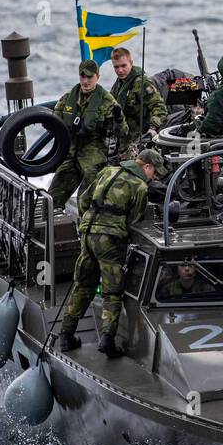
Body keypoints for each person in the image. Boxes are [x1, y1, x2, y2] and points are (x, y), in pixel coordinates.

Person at [58, 149, 162, 358]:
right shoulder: (139, 186)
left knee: (83, 285)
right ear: (147, 166)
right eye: (155, 173)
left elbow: (84, 198)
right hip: (110, 240)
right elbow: (134, 219)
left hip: (87, 233)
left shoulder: (108, 171)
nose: (154, 178)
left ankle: (65, 336)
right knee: (112, 291)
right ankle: (107, 340)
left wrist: (90, 222)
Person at [48, 59, 128, 213]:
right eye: (82, 77)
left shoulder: (107, 102)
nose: (85, 81)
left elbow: (122, 132)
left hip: (93, 153)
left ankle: (85, 228)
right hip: (70, 151)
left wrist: (119, 118)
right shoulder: (68, 98)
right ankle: (52, 223)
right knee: (53, 197)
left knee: (86, 199)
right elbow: (54, 122)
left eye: (89, 77)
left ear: (97, 77)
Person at [110, 47, 167, 142]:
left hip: (141, 138)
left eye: (124, 66)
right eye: (116, 67)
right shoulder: (119, 84)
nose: (120, 70)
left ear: (131, 63)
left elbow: (159, 107)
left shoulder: (142, 83)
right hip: (124, 138)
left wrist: (152, 128)